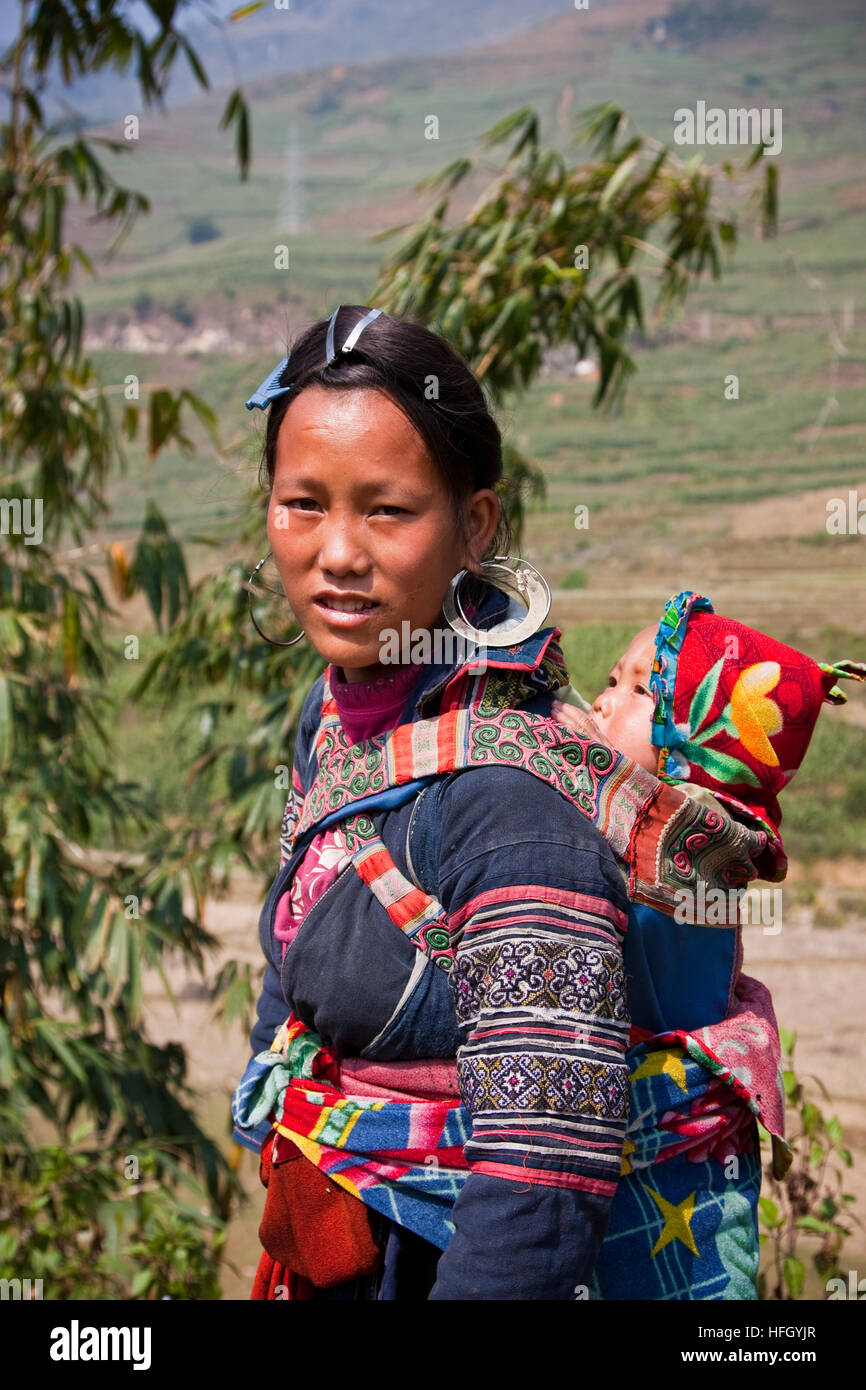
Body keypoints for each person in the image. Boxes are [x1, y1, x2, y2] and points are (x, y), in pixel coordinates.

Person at [231, 306, 788, 1301]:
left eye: (388, 510)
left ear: (473, 525)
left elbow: (540, 1181)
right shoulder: (337, 720)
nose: (337, 551)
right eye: (302, 503)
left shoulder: (505, 807)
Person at [550, 590, 863, 1297]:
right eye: (610, 681)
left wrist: (565, 759)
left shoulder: (697, 841)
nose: (601, 702)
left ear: (700, 745)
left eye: (639, 691)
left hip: (660, 1143)